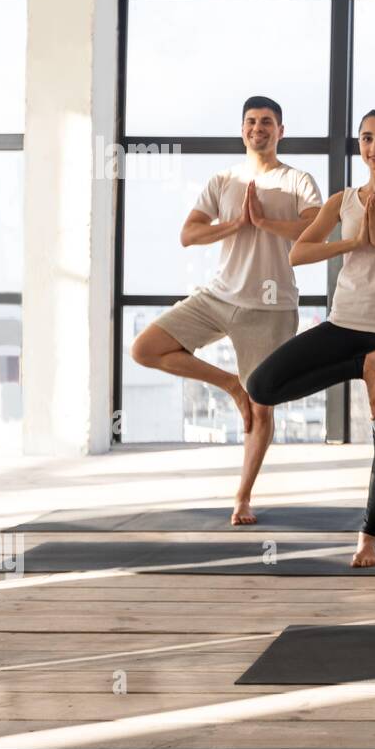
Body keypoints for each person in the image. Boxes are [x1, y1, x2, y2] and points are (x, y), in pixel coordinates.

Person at [247, 109, 375, 567]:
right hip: (346, 322)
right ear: (359, 146)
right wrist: (352, 240)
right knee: (262, 385)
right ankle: (361, 367)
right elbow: (300, 252)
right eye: (366, 138)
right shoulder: (342, 201)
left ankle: (368, 537)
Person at [131, 95, 322, 525]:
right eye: (252, 122)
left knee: (263, 406)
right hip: (218, 296)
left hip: (270, 308)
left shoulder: (298, 181)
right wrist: (236, 224)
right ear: (242, 130)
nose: (259, 128)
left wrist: (267, 222)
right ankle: (232, 385)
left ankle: (242, 497)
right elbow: (189, 234)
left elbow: (318, 230)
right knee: (145, 349)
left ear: (280, 131)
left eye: (268, 122)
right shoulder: (223, 180)